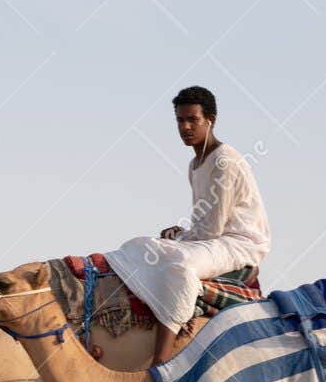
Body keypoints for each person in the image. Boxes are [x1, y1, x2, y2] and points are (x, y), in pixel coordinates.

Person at [103, 86, 270, 364]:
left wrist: (180, 240)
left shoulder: (224, 161)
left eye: (193, 120)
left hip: (239, 244)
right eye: (180, 120)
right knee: (139, 246)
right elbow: (204, 222)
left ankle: (162, 361)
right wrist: (178, 235)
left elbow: (212, 229)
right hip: (213, 241)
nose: (186, 127)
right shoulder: (195, 164)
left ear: (210, 120)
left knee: (180, 267)